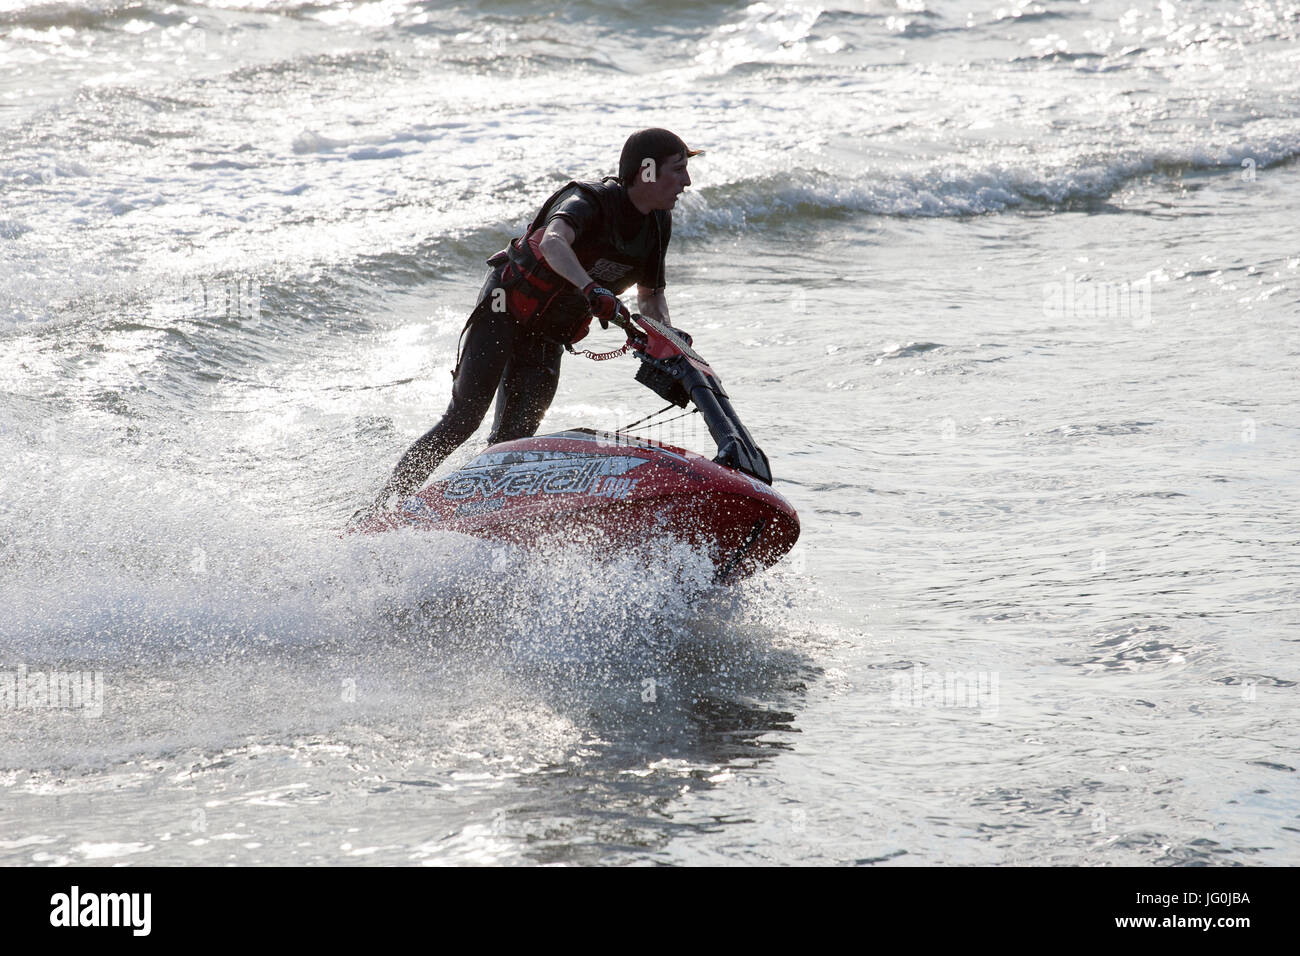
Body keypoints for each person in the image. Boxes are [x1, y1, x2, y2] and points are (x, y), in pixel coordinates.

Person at [356, 128, 700, 520]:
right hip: (503, 310)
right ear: (648, 171)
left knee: (512, 443)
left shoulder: (658, 224)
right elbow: (553, 242)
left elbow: (652, 297)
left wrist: (671, 342)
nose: (687, 182)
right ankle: (379, 510)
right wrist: (590, 289)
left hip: (548, 333)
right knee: (463, 419)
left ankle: (469, 521)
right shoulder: (588, 201)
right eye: (679, 169)